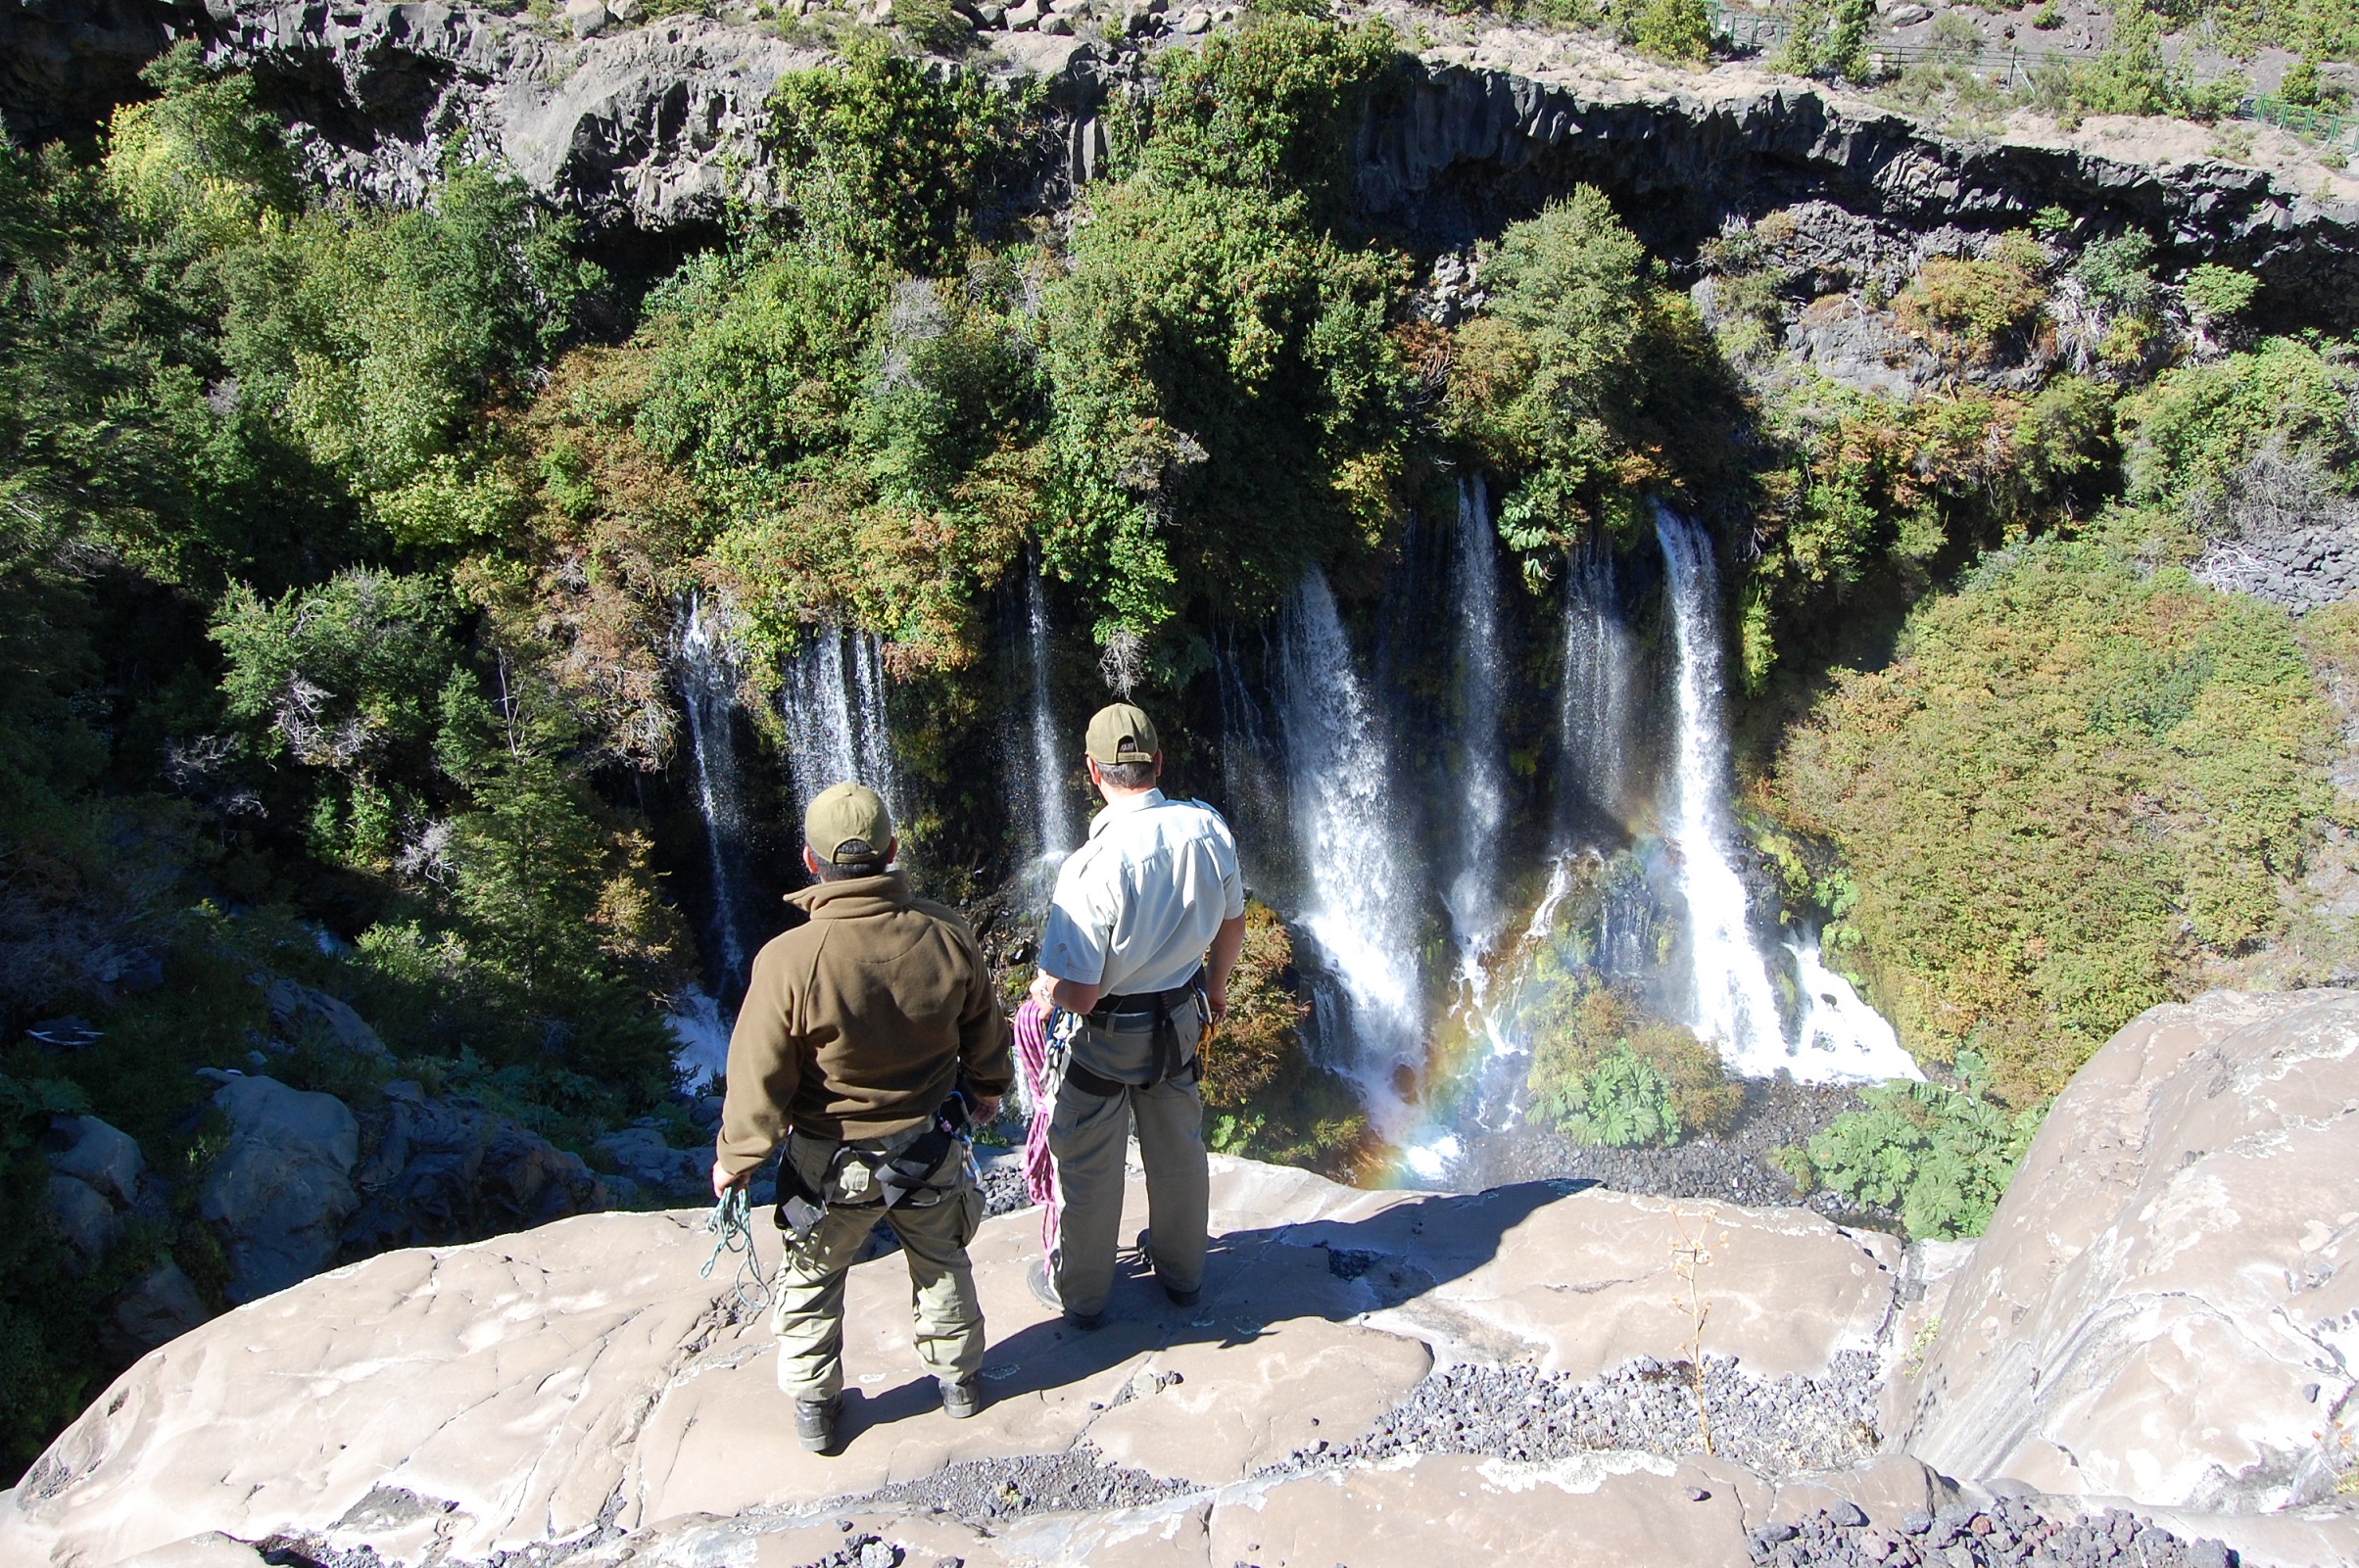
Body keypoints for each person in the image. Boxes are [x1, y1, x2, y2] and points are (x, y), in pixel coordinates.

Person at [711, 782, 1012, 1454]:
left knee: (812, 1274)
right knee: (940, 1258)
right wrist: (988, 1086)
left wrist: (737, 1158)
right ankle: (960, 1383)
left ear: (810, 860)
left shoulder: (787, 961)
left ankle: (816, 1408)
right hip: (930, 1145)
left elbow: (758, 1075)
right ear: (893, 851)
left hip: (826, 1162)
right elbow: (984, 1030)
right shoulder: (946, 931)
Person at [1028, 702, 1247, 1327]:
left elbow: (1081, 994)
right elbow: (1232, 920)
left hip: (1105, 1038)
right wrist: (1216, 988)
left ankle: (1086, 1297)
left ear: (1092, 771)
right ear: (1160, 761)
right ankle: (1183, 1274)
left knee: (1091, 1162)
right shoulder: (1208, 829)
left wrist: (1046, 992)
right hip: (1180, 1016)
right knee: (1178, 1147)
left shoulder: (1088, 868)